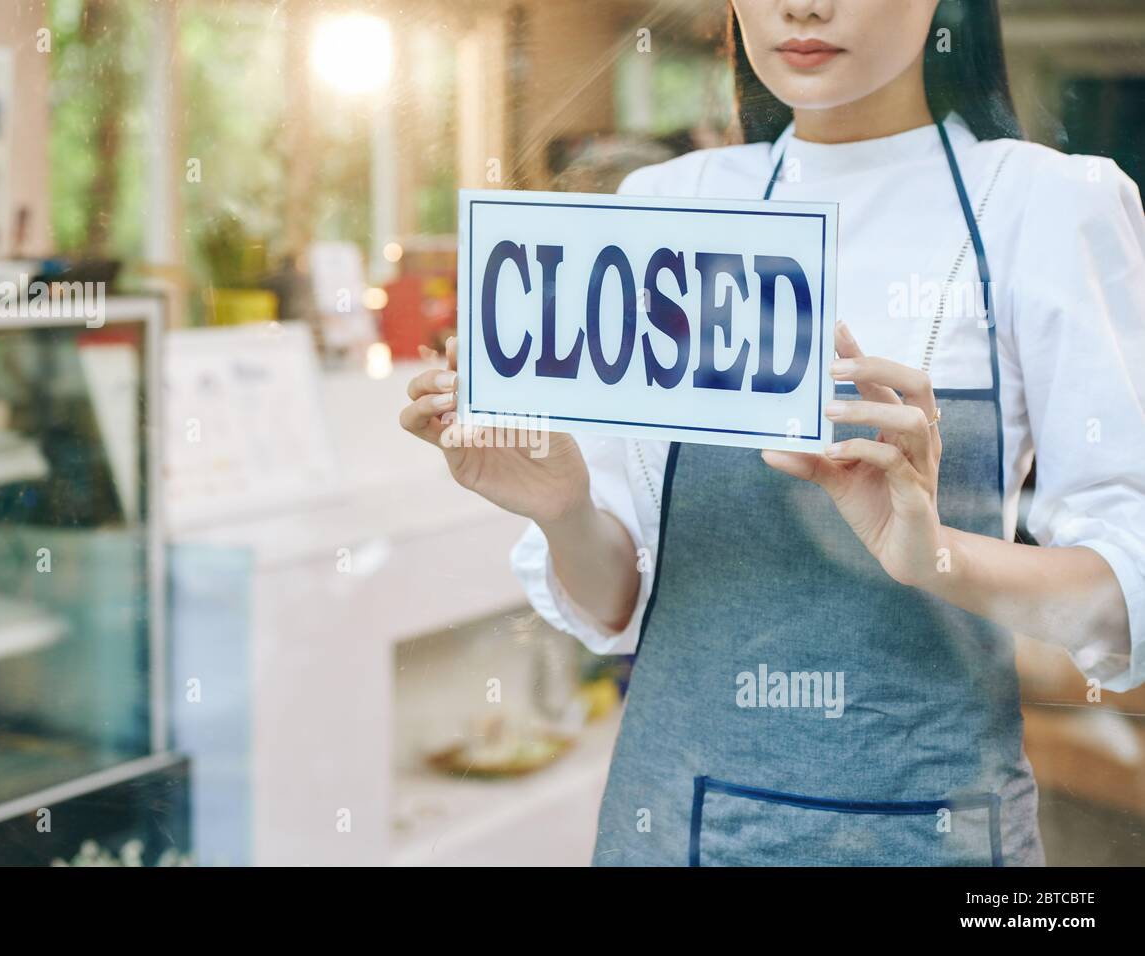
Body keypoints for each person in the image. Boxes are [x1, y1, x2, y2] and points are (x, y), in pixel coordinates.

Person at [400, 0, 1145, 866]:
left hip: (927, 832)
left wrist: (932, 554)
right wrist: (563, 509)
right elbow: (614, 601)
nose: (804, 6)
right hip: (666, 821)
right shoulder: (663, 203)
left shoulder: (1049, 204)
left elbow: (1128, 588)